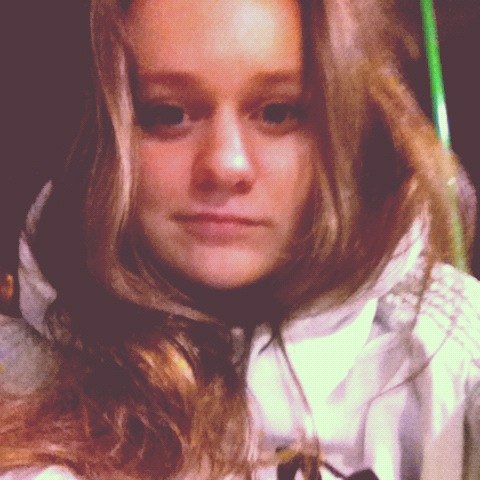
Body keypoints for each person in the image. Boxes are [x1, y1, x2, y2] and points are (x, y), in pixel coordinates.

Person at [0, 0, 479, 479]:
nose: (225, 165)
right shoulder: (19, 383)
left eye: (277, 113)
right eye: (168, 113)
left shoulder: (453, 363)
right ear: (102, 138)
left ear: (349, 128)